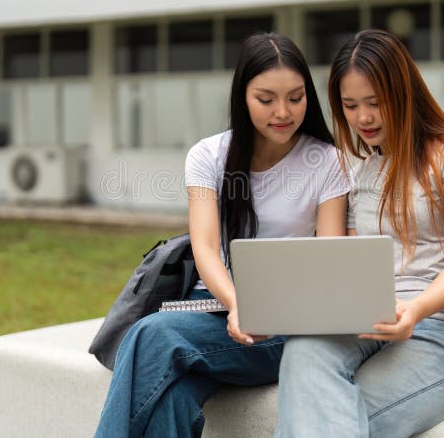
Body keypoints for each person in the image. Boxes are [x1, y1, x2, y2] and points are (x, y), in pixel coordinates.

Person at [94, 32, 350, 438]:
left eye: (296, 98)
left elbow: (329, 257)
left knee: (151, 335)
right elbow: (206, 248)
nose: (283, 112)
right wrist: (236, 304)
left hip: (282, 324)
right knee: (171, 400)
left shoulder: (328, 162)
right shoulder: (208, 156)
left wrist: (252, 312)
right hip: (210, 310)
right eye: (266, 99)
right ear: (242, 97)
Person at [275, 29, 444, 438]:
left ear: (404, 91)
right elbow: (353, 265)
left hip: (441, 331)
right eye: (351, 105)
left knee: (332, 419)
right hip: (370, 323)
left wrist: (414, 310)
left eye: (375, 102)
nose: (364, 118)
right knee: (303, 350)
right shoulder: (362, 170)